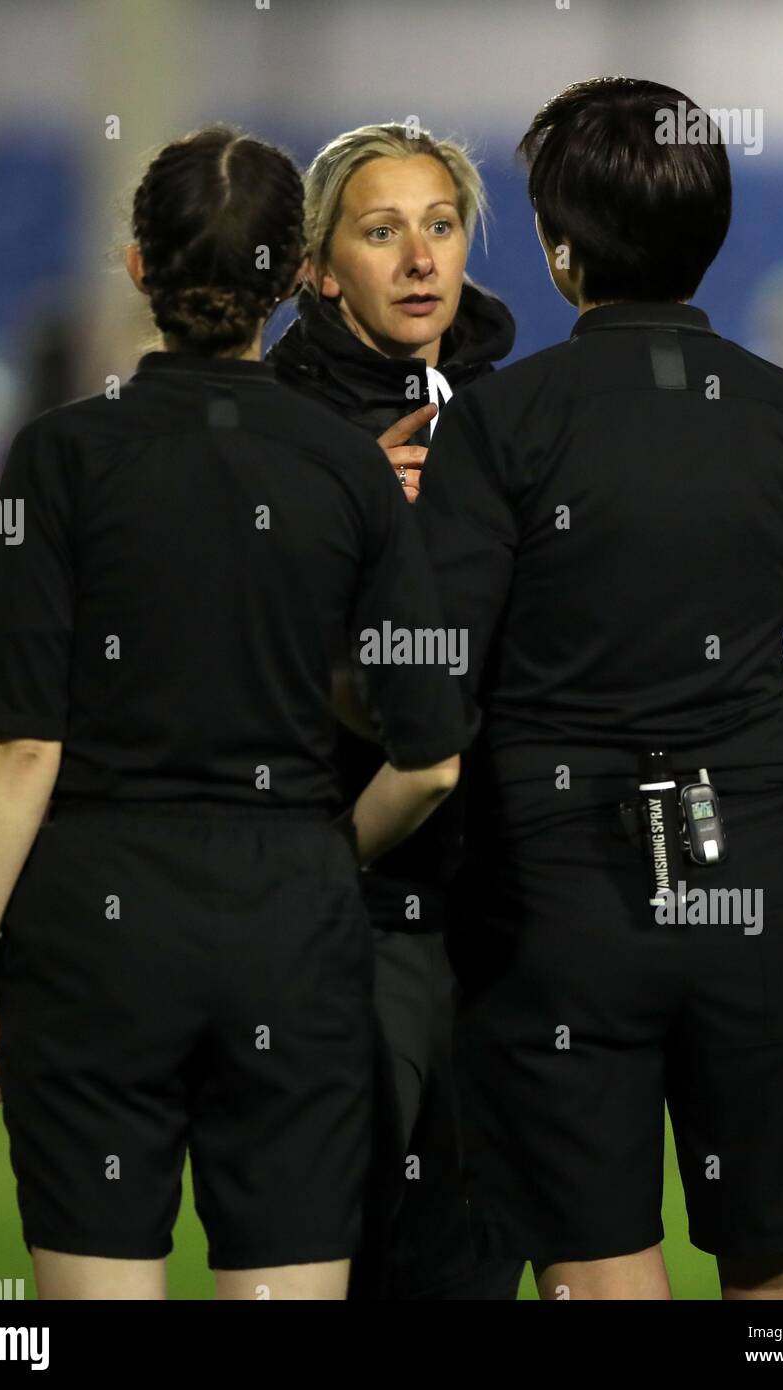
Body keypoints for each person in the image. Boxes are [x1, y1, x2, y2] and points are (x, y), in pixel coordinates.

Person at [0, 125, 471, 1301]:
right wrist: (324, 859)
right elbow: (430, 762)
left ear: (138, 268)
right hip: (293, 929)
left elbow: (24, 746)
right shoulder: (349, 470)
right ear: (294, 281)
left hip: (96, 932)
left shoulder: (60, 456)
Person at [415, 78, 783, 1301]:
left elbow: (433, 681)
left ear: (562, 250)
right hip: (761, 879)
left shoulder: (498, 422)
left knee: (601, 1265)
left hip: (562, 893)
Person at [269, 122, 523, 1300]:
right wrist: (350, 512)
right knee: (327, 1264)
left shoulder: (515, 418)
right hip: (342, 918)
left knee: (467, 1269)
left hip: (503, 923)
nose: (421, 258)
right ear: (319, 268)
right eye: (382, 232)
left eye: (441, 226)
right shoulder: (270, 428)